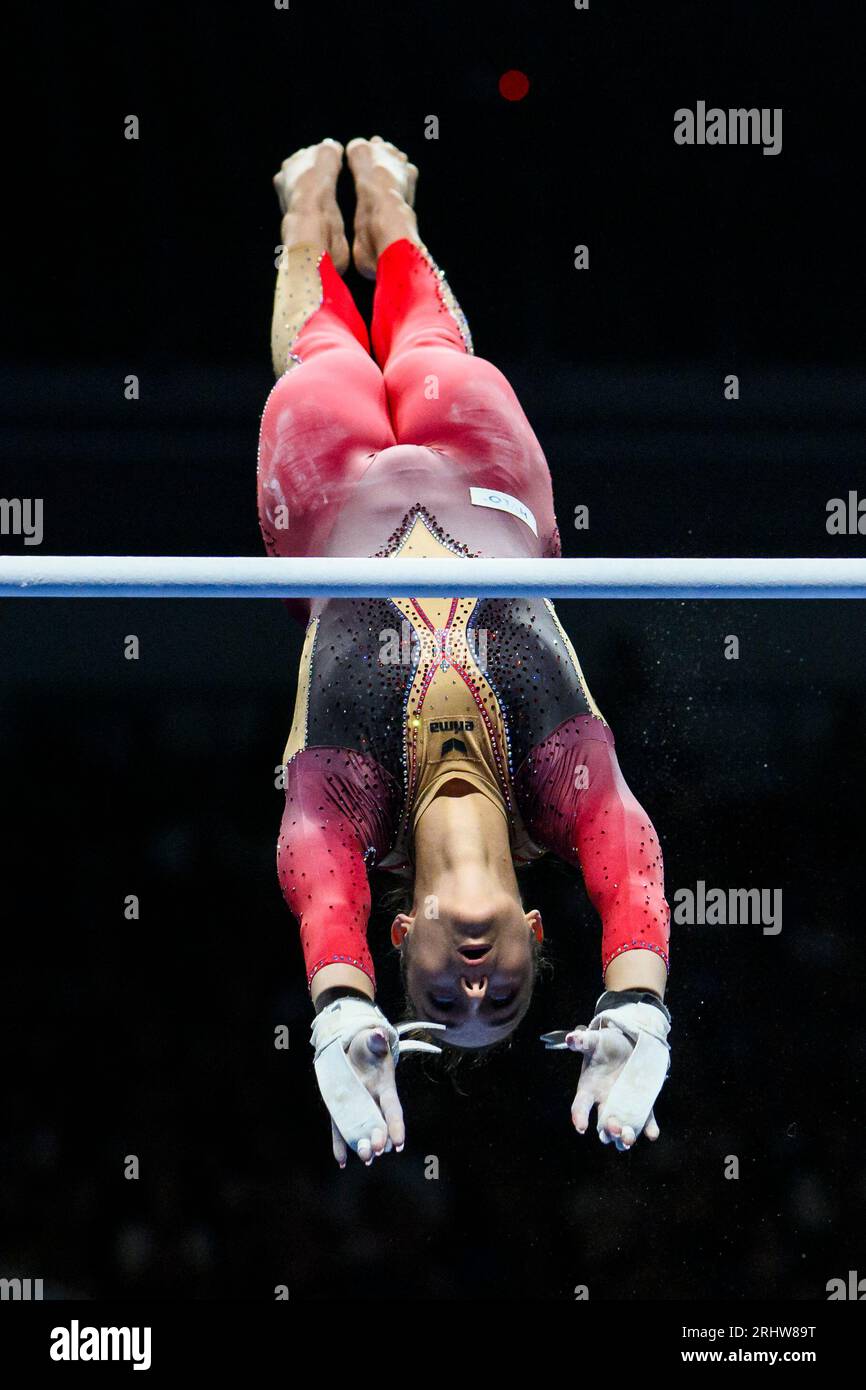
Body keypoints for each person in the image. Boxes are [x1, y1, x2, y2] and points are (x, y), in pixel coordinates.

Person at [257, 137, 671, 1168]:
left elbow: (318, 881)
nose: (475, 982)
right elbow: (629, 865)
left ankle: (303, 210)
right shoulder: (557, 786)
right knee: (432, 353)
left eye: (444, 996)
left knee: (325, 360)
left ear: (401, 942)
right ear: (538, 932)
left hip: (329, 502)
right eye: (507, 994)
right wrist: (638, 1002)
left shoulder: (356, 803)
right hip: (488, 483)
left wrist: (335, 1006)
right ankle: (392, 210)